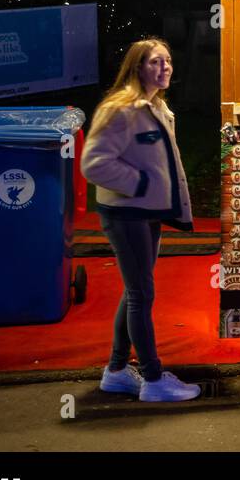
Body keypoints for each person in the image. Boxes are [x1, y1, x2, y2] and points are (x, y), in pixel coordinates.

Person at [82, 38, 200, 402]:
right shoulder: (120, 110)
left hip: (148, 213)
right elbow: (94, 163)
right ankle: (152, 379)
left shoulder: (157, 108)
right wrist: (141, 184)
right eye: (154, 63)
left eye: (167, 61)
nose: (164, 68)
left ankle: (117, 370)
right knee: (141, 293)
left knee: (136, 292)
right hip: (126, 214)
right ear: (136, 67)